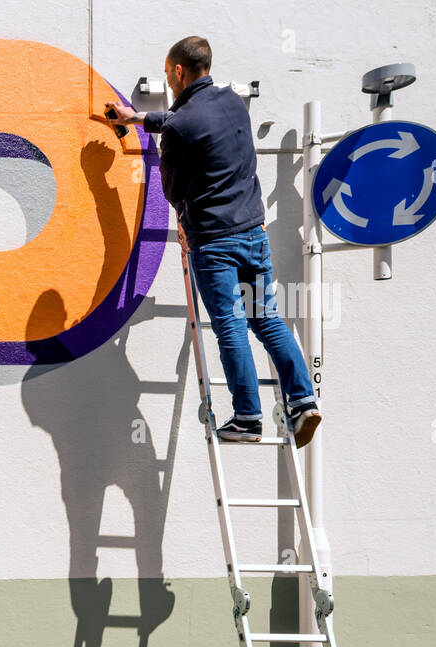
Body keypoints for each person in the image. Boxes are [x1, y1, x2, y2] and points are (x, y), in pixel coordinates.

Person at [106, 36, 322, 447]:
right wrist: (136, 118)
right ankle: (303, 400)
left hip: (215, 243)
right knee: (268, 321)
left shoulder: (179, 127)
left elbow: (172, 187)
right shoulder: (231, 102)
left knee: (230, 327)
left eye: (169, 75)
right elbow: (177, 119)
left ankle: (247, 417)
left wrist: (185, 215)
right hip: (254, 236)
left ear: (177, 72)